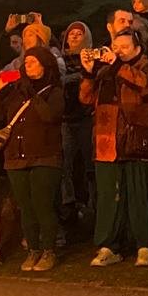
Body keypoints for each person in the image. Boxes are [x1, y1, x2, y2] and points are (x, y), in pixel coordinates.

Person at [80, 26, 148, 267]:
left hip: (138, 139)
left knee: (141, 194)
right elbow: (86, 99)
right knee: (109, 196)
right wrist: (88, 73)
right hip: (107, 140)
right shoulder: (105, 70)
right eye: (116, 47)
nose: (119, 51)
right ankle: (109, 245)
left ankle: (145, 245)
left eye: (125, 48)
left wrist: (118, 65)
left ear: (138, 48)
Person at [0, 45, 65, 271]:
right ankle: (33, 249)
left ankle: (49, 250)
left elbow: (49, 115)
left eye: (34, 62)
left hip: (44, 156)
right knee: (26, 207)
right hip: (16, 156)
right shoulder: (16, 91)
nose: (28, 66)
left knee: (43, 205)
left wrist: (32, 92)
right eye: (27, 62)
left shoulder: (54, 92)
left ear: (45, 65)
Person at [59, 20, 94, 223]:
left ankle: (93, 204)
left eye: (79, 34)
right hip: (65, 118)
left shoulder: (93, 59)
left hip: (86, 117)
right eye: (71, 33)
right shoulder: (59, 59)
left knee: (90, 164)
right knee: (66, 164)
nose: (73, 36)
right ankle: (69, 206)